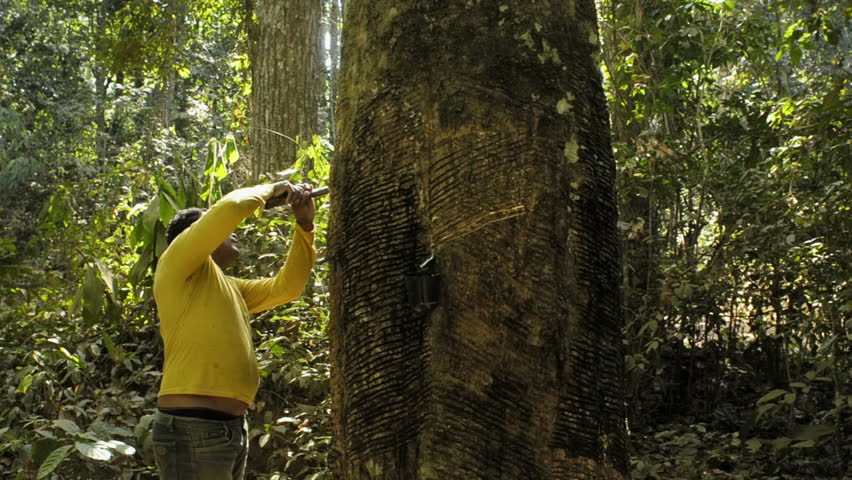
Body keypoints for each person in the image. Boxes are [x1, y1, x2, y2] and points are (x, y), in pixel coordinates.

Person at [150, 181, 316, 479]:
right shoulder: (174, 265)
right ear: (195, 237)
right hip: (192, 428)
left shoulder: (227, 286)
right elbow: (229, 209)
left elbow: (287, 288)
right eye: (215, 227)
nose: (233, 231)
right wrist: (274, 190)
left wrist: (304, 226)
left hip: (228, 428)